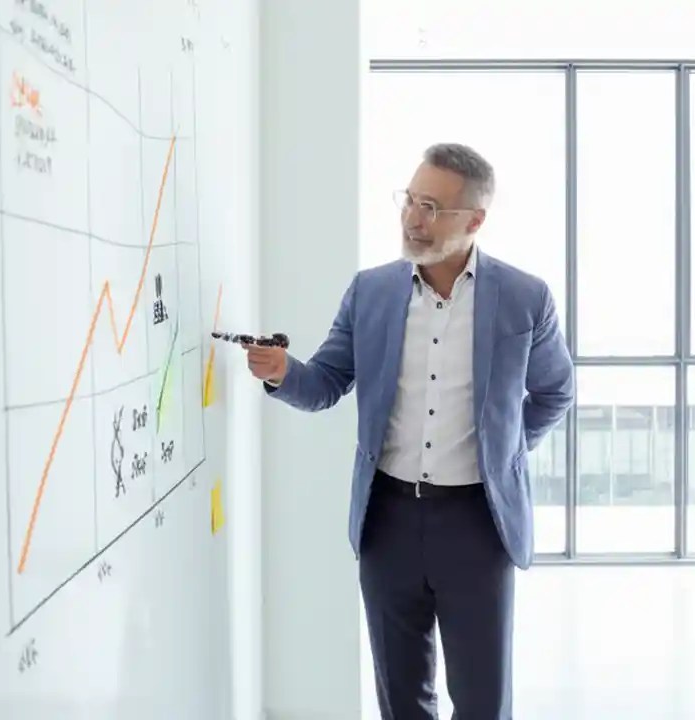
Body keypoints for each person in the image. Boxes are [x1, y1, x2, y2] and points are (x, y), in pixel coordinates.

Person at [244, 142, 575, 719]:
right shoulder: (371, 291)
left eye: (431, 207)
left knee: (482, 700)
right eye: (410, 200)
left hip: (479, 522)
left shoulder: (525, 298)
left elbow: (556, 392)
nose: (413, 219)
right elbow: (325, 381)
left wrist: (505, 453)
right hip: (388, 521)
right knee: (401, 697)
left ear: (474, 220)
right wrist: (281, 375)